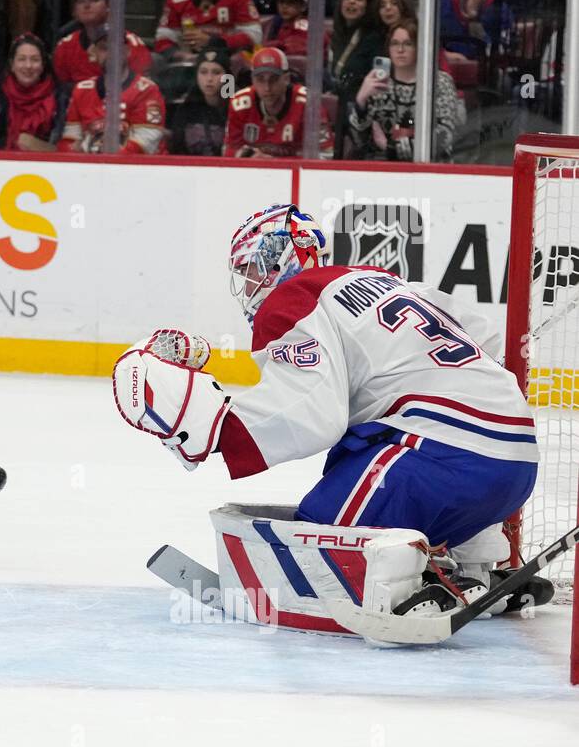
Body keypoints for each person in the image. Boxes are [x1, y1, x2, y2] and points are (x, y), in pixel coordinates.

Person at [111, 203, 547, 620]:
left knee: (320, 532)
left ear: (278, 259)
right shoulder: (387, 280)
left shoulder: (294, 299)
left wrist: (216, 430)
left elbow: (310, 414)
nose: (246, 287)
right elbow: (487, 341)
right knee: (369, 441)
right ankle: (484, 570)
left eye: (250, 271)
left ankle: (407, 589)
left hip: (441, 465)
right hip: (517, 467)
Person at [349, 19, 464, 161]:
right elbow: (359, 141)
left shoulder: (440, 82)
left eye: (408, 44)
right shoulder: (377, 84)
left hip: (430, 169)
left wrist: (389, 147)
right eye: (395, 43)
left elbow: (444, 136)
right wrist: (361, 100)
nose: (400, 50)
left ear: (419, 47)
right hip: (382, 170)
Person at [59, 28, 166, 154]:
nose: (111, 54)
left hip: (141, 169)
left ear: (127, 51)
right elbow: (69, 140)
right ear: (95, 53)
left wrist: (104, 158)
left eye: (116, 47)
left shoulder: (147, 90)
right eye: (104, 48)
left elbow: (145, 142)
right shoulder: (82, 90)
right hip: (92, 168)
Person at [0, 33, 68, 151]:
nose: (28, 66)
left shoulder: (60, 97)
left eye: (35, 60)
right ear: (12, 65)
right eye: (21, 59)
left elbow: (66, 146)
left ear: (43, 65)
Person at [224, 46, 333, 158]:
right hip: (254, 173)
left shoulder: (309, 104)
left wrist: (276, 163)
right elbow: (229, 150)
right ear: (252, 80)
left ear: (286, 79)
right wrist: (248, 156)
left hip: (297, 173)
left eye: (274, 79)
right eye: (260, 79)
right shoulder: (239, 104)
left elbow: (325, 155)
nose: (267, 88)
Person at [52, 0, 152, 85]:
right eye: (81, 1)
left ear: (109, 6)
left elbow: (140, 87)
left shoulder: (130, 43)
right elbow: (61, 89)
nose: (86, 5)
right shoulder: (65, 46)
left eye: (94, 0)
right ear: (74, 11)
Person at [327, 0, 382, 157]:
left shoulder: (373, 38)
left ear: (367, 7)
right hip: (339, 102)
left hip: (360, 107)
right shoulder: (336, 36)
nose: (351, 2)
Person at [165, 45, 230, 157]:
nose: (209, 79)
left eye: (216, 72)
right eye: (203, 72)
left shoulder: (237, 109)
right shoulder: (186, 109)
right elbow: (177, 149)